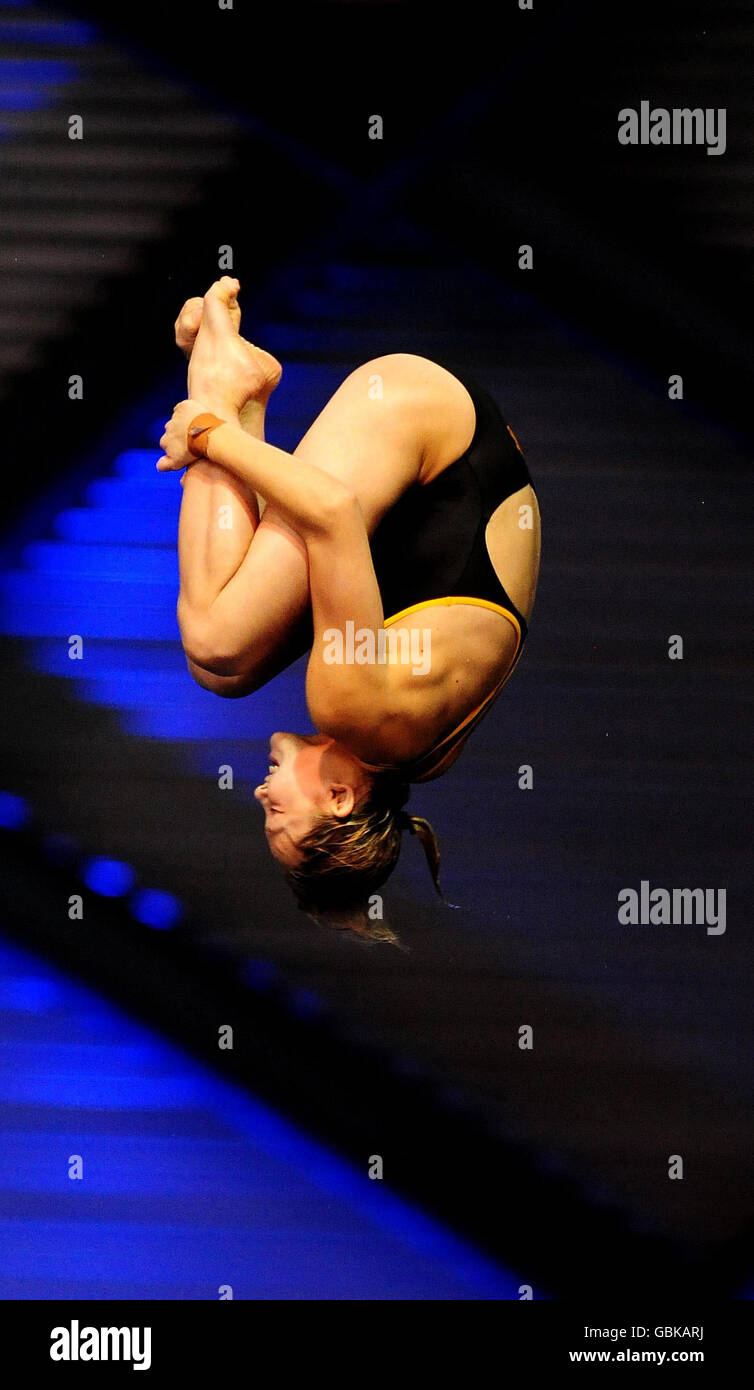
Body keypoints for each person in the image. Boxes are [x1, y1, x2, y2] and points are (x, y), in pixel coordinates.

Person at [158, 277, 541, 941]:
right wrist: (207, 434)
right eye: (280, 818)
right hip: (423, 426)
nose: (261, 798)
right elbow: (333, 515)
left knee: (226, 669)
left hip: (465, 465)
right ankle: (222, 385)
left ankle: (240, 393)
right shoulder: (352, 711)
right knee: (217, 637)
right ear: (339, 799)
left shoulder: (412, 760)